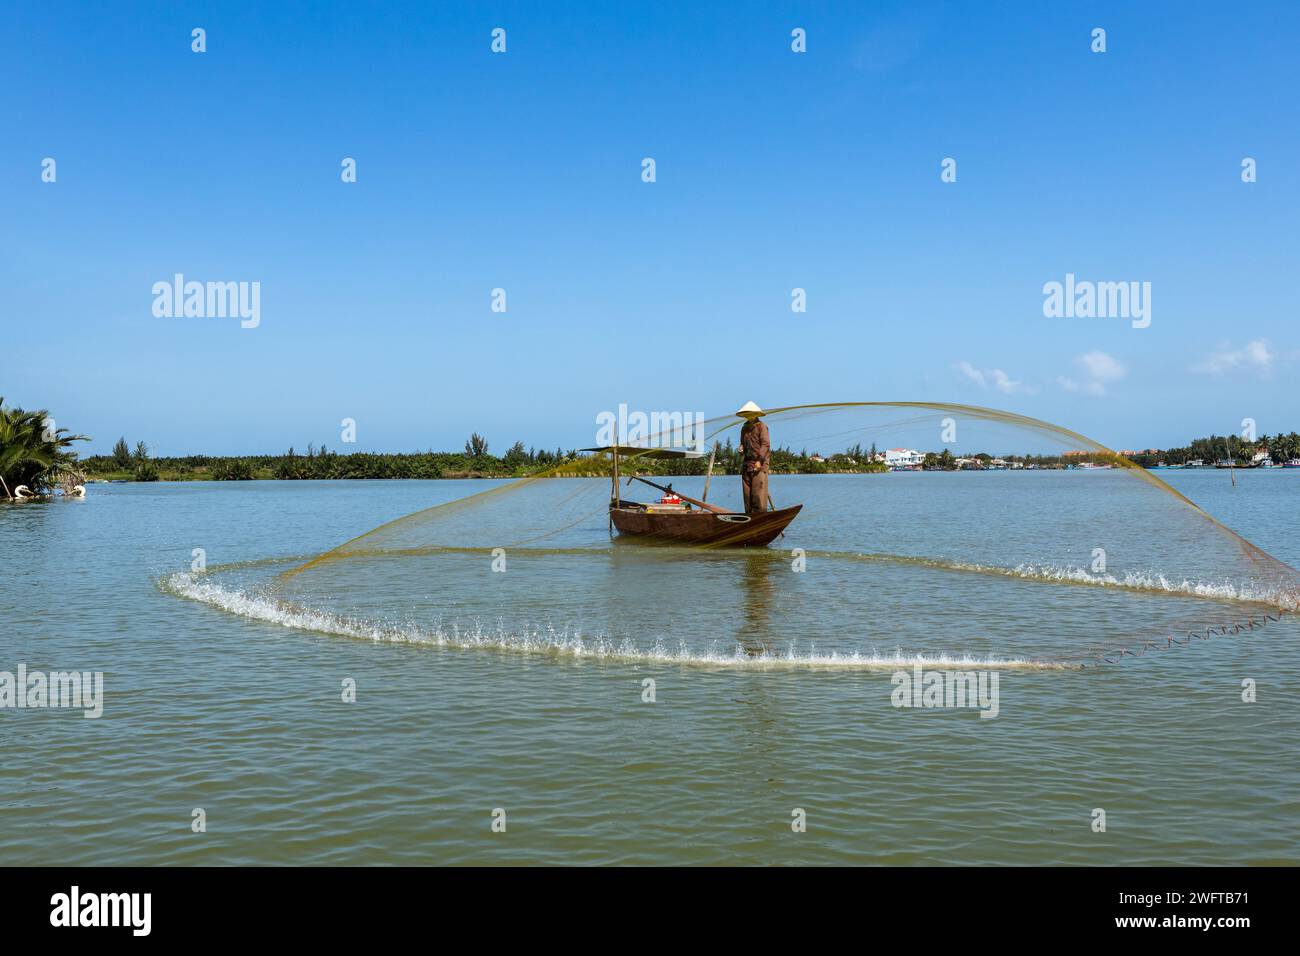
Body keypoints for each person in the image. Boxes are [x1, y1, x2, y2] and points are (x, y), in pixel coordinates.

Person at [737, 401, 770, 514]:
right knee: (747, 496)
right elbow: (742, 443)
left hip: (759, 465)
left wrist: (759, 461)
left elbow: (765, 444)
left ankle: (760, 520)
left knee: (758, 496)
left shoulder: (762, 427)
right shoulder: (744, 428)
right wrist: (741, 448)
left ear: (755, 414)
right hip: (747, 465)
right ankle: (749, 519)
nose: (748, 415)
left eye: (750, 413)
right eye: (746, 413)